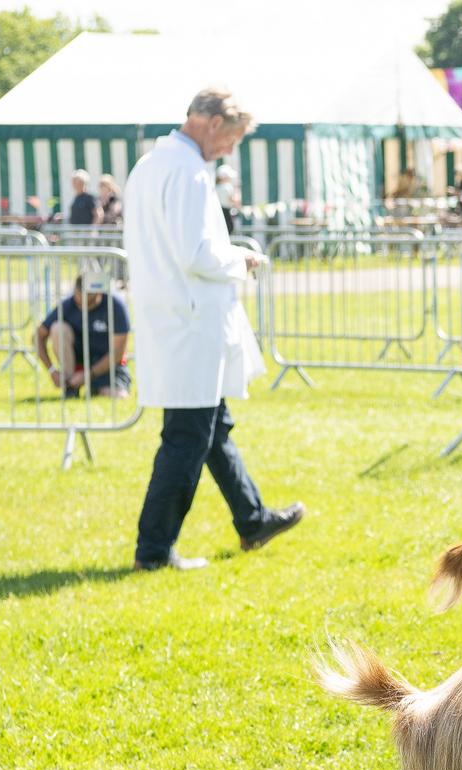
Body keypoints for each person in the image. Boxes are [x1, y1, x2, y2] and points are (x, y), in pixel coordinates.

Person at [124, 87, 304, 572]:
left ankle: (252, 519)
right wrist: (240, 259)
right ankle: (154, 550)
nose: (230, 149)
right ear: (210, 122)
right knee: (187, 438)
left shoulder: (151, 166)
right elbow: (197, 254)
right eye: (232, 138)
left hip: (174, 315)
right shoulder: (187, 173)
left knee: (212, 427)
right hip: (191, 320)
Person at [33, 267, 131, 397]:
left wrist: (89, 375)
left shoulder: (115, 306)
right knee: (57, 328)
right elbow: (37, 337)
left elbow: (118, 352)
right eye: (77, 295)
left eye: (86, 298)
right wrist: (51, 370)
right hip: (78, 363)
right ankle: (70, 386)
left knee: (119, 396)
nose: (79, 301)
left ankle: (96, 387)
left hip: (107, 365)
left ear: (98, 293)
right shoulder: (68, 305)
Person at [215, 164, 241, 235]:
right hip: (226, 212)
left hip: (218, 212)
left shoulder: (215, 188)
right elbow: (234, 201)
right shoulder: (227, 187)